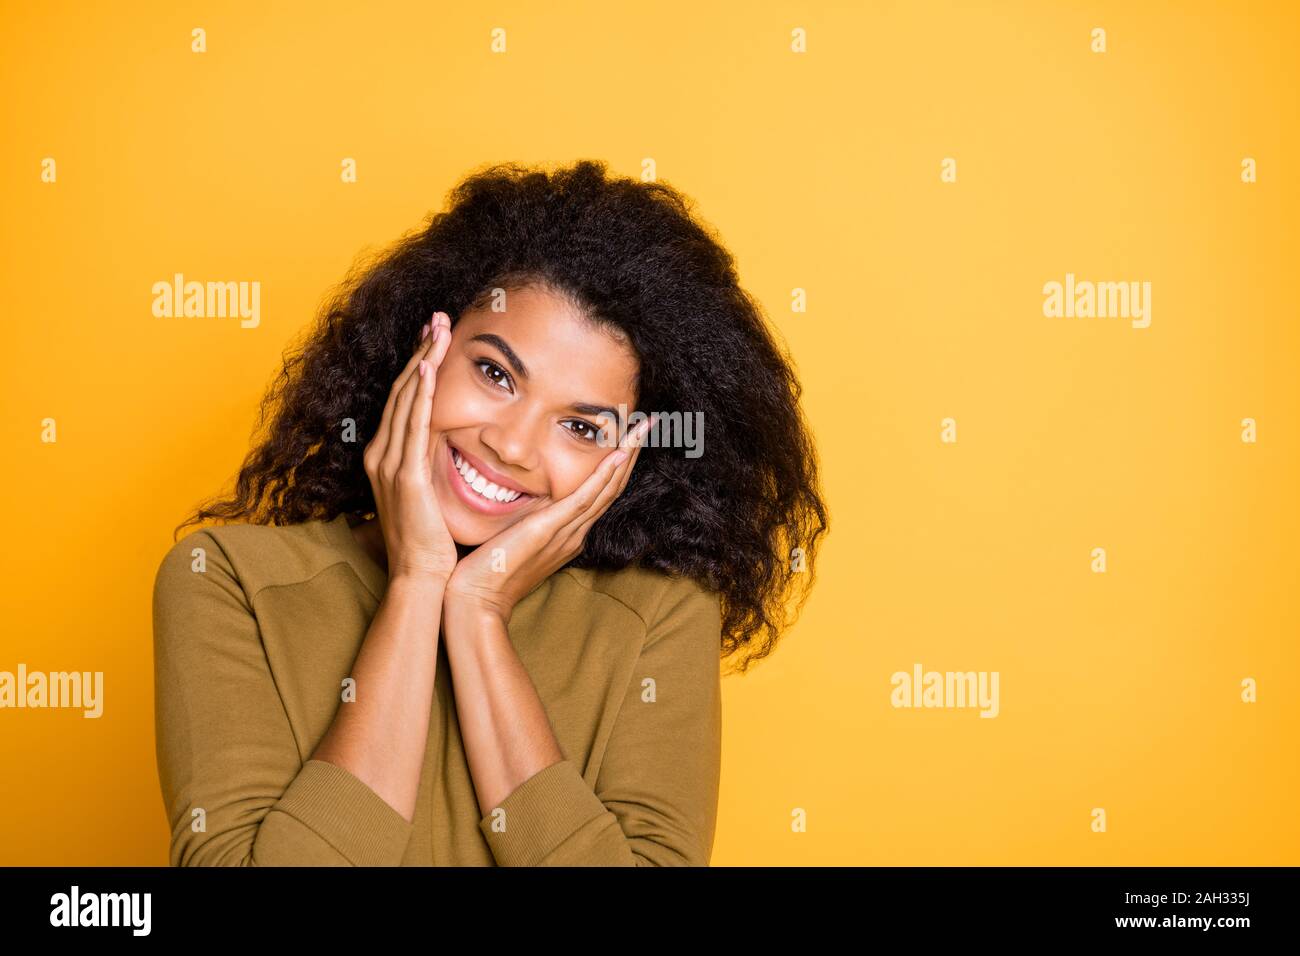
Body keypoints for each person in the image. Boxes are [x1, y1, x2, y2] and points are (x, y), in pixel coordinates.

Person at [152, 159, 829, 866]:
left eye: (582, 427)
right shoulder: (229, 581)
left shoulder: (658, 617)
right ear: (427, 348)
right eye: (495, 374)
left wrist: (478, 613)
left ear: (632, 460)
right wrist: (417, 583)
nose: (509, 445)